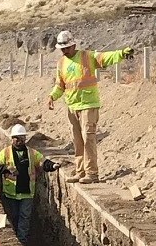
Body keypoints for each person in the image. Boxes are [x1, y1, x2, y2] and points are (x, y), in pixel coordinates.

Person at [47, 29, 133, 184]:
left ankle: (92, 173)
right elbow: (60, 85)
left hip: (88, 104)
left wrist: (121, 53)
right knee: (77, 141)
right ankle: (80, 172)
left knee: (88, 139)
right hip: (72, 106)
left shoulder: (87, 56)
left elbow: (105, 57)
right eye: (62, 49)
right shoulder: (61, 63)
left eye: (67, 48)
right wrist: (52, 96)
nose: (65, 51)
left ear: (73, 45)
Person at [0, 123, 57, 243]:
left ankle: (22, 239)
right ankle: (16, 236)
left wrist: (53, 165)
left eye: (22, 138)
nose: (20, 141)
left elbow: (42, 162)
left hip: (27, 192)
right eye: (17, 138)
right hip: (11, 192)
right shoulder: (5, 153)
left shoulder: (31, 153)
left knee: (25, 217)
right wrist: (7, 169)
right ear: (12, 139)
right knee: (14, 216)